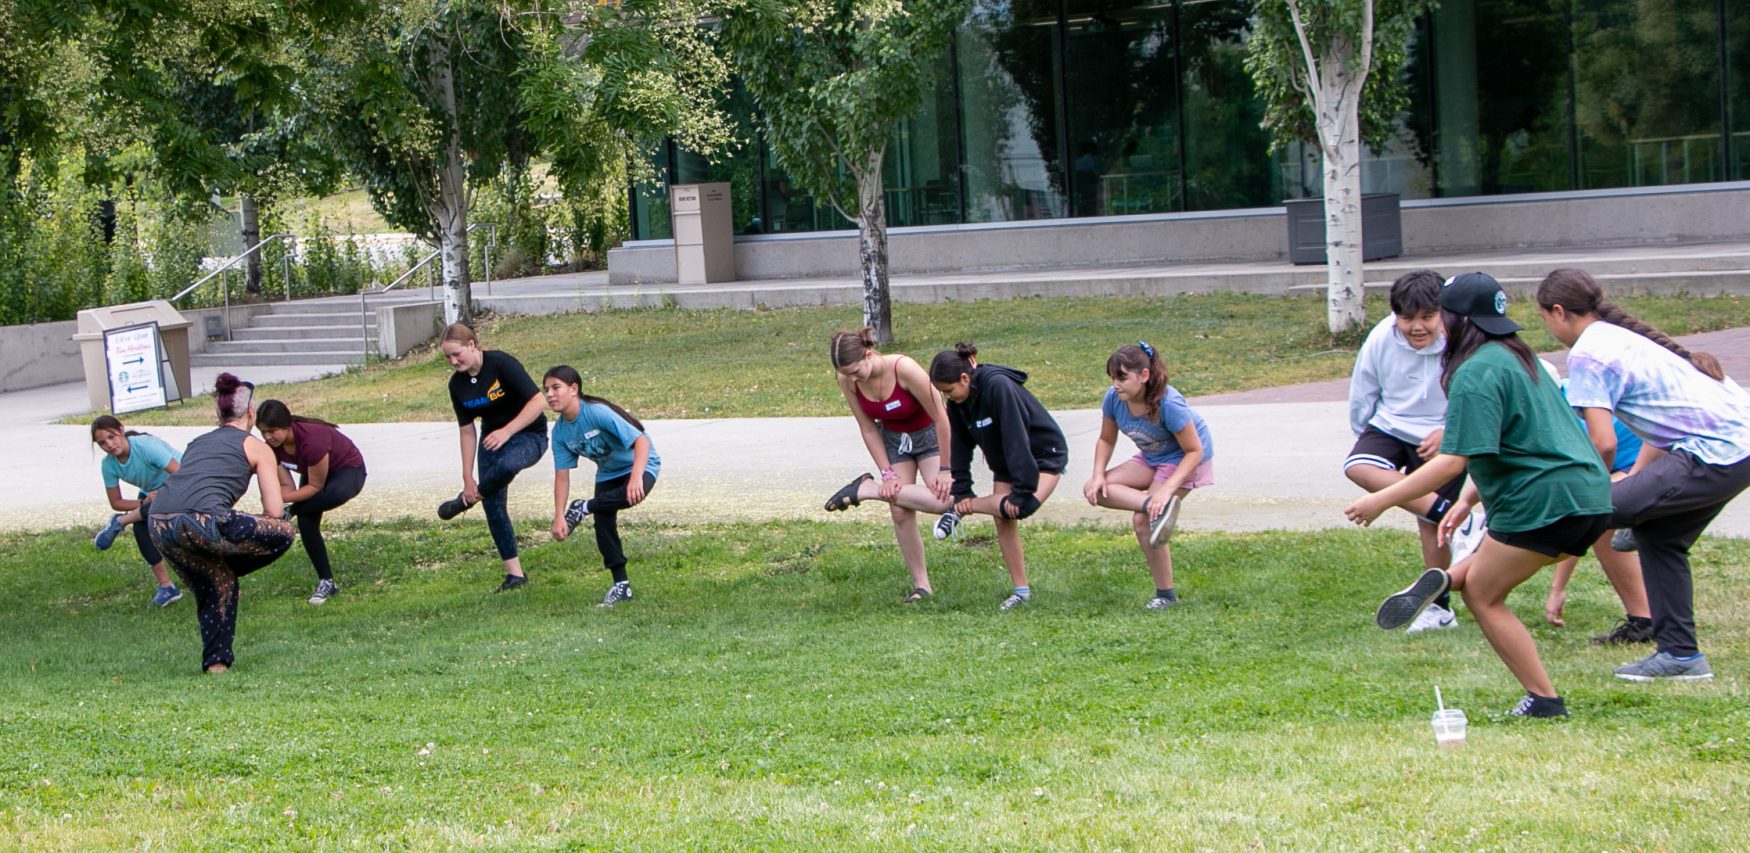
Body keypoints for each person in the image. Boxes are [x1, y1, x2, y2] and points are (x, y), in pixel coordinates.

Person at [1346, 273, 1613, 718]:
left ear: (1458, 320)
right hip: (1589, 497)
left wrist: (1381, 499)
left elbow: (1452, 460)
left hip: (1541, 502)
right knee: (1490, 570)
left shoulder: (1474, 373)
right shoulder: (1519, 356)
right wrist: (1467, 502)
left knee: (1484, 597)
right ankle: (1445, 579)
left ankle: (1543, 700)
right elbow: (1495, 444)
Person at [1536, 267, 1750, 683]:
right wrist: (1637, 484)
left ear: (1558, 311)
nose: (1547, 329)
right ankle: (1680, 656)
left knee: (1582, 509)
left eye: (1544, 319)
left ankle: (1482, 581)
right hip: (1741, 449)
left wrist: (1596, 497)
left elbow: (1602, 444)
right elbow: (1663, 427)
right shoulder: (1624, 337)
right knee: (1661, 538)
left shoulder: (1587, 354)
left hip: (1715, 453)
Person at [1343, 270, 1465, 633]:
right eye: (1407, 318)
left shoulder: (1462, 338)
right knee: (1358, 465)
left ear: (1442, 313)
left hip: (1446, 433)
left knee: (1430, 527)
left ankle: (1439, 609)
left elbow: (1477, 394)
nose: (1417, 327)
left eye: (1427, 317)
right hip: (1392, 425)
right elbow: (1363, 389)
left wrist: (1452, 431)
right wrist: (1363, 430)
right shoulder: (1381, 338)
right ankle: (1452, 515)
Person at [146, 373, 294, 673]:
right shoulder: (257, 447)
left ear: (219, 414)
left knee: (218, 583)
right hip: (205, 521)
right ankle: (223, 570)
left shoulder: (196, 443)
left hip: (158, 524)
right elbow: (275, 511)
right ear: (251, 413)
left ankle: (216, 665)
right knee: (284, 531)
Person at [822, 328, 957, 603]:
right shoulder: (847, 380)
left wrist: (946, 469)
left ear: (869, 354)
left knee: (943, 500)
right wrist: (887, 473)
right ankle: (922, 586)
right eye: (846, 373)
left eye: (856, 370)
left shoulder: (904, 368)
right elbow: (868, 428)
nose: (852, 377)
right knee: (899, 510)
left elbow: (943, 418)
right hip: (895, 442)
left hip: (930, 437)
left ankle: (867, 489)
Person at [930, 342, 1068, 611]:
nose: (947, 396)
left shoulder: (998, 387)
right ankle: (1021, 591)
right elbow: (959, 446)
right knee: (1002, 517)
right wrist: (962, 490)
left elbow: (1017, 438)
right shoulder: (958, 402)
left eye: (948, 390)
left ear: (965, 377)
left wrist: (1021, 490)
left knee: (1020, 507)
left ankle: (959, 512)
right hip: (1007, 461)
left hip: (1043, 455)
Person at [1083, 341, 1213, 610]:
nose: (1115, 385)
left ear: (1144, 376)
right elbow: (1106, 440)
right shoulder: (1113, 399)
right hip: (1152, 456)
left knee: (1142, 522)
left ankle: (1166, 595)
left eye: (1122, 377)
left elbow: (1193, 451)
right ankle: (1155, 508)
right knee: (1097, 489)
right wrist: (1097, 475)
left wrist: (1165, 491)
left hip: (1183, 458)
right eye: (1112, 378)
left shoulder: (1169, 403)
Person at [437, 323, 549, 593]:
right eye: (447, 357)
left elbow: (538, 401)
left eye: (457, 354)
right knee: (493, 505)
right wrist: (467, 478)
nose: (453, 361)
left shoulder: (501, 363)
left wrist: (508, 431)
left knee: (507, 466)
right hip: (492, 439)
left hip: (527, 434)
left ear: (472, 345)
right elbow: (466, 430)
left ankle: (463, 504)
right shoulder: (457, 385)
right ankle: (515, 576)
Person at [1543, 373, 1652, 645]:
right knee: (1597, 515)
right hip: (1624, 461)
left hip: (1652, 456)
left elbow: (1582, 509)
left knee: (1600, 514)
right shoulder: (1558, 398)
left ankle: (1645, 620)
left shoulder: (1564, 420)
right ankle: (1645, 619)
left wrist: (1557, 588)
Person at [543, 365, 659, 608]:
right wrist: (558, 516)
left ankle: (584, 506)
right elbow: (561, 476)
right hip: (608, 473)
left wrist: (637, 477)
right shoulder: (560, 433)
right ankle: (621, 586)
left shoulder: (596, 413)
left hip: (640, 463)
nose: (550, 395)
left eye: (556, 388)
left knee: (631, 496)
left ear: (574, 389)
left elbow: (641, 442)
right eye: (546, 390)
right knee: (603, 522)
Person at [255, 400, 368, 605]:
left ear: (286, 424)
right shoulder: (272, 448)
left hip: (347, 470)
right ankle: (327, 582)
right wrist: (279, 498)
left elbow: (315, 487)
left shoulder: (311, 440)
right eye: (263, 432)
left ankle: (292, 512)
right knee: (307, 522)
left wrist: (285, 504)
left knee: (333, 495)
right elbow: (287, 488)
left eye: (272, 431)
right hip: (314, 473)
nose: (268, 437)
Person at [89, 415, 183, 607]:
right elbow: (116, 502)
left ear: (121, 430)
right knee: (140, 526)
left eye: (111, 436)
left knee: (158, 505)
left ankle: (120, 522)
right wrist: (144, 502)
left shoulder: (145, 446)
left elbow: (182, 474)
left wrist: (157, 497)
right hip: (152, 495)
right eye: (102, 443)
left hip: (182, 482)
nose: (109, 444)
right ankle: (167, 587)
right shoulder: (108, 465)